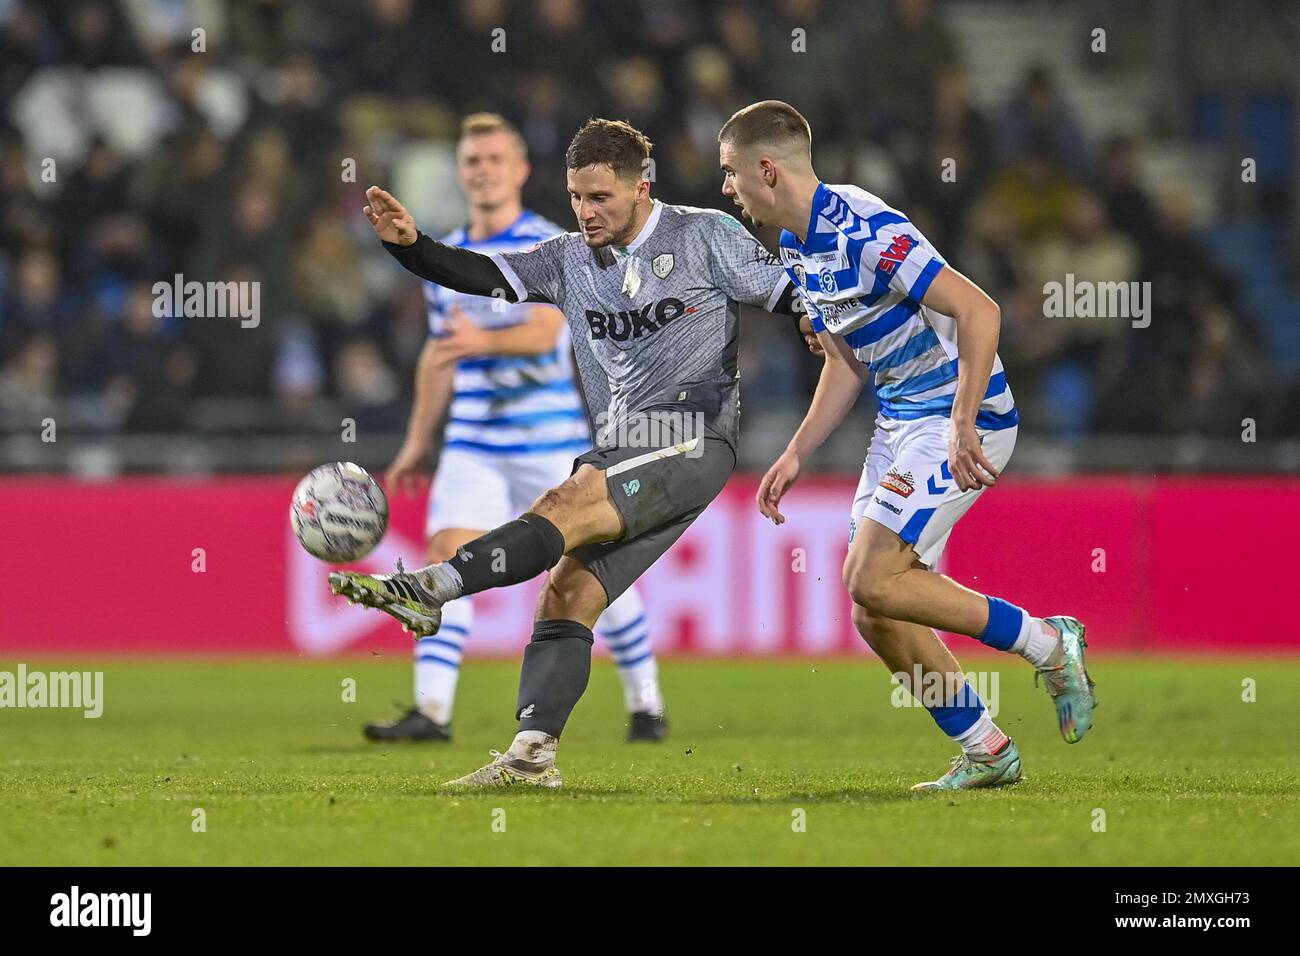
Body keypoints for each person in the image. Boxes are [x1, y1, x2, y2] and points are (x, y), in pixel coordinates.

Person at [332, 118, 810, 788]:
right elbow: (481, 274)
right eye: (577, 197)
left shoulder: (704, 235)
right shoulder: (566, 259)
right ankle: (532, 758)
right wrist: (413, 249)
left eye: (601, 199)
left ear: (642, 188)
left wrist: (819, 319)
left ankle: (431, 589)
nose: (585, 212)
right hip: (625, 446)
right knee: (568, 593)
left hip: (692, 434)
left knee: (565, 501)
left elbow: (791, 290)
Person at [718, 100, 1096, 791]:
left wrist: (961, 420)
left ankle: (1049, 643)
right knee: (874, 607)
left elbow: (980, 309)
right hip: (901, 420)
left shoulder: (863, 228)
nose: (726, 189)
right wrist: (798, 450)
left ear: (766, 170)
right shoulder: (799, 245)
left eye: (730, 173)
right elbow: (846, 361)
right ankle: (986, 748)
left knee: (871, 576)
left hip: (961, 418)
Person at [363, 114, 667, 745]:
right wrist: (420, 439)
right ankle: (431, 711)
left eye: (495, 158)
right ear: (461, 172)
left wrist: (484, 339)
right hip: (473, 443)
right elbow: (438, 354)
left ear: (521, 171)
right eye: (472, 160)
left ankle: (646, 703)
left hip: (551, 442)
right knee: (444, 558)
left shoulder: (554, 243)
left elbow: (551, 330)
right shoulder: (446, 254)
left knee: (593, 568)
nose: (483, 170)